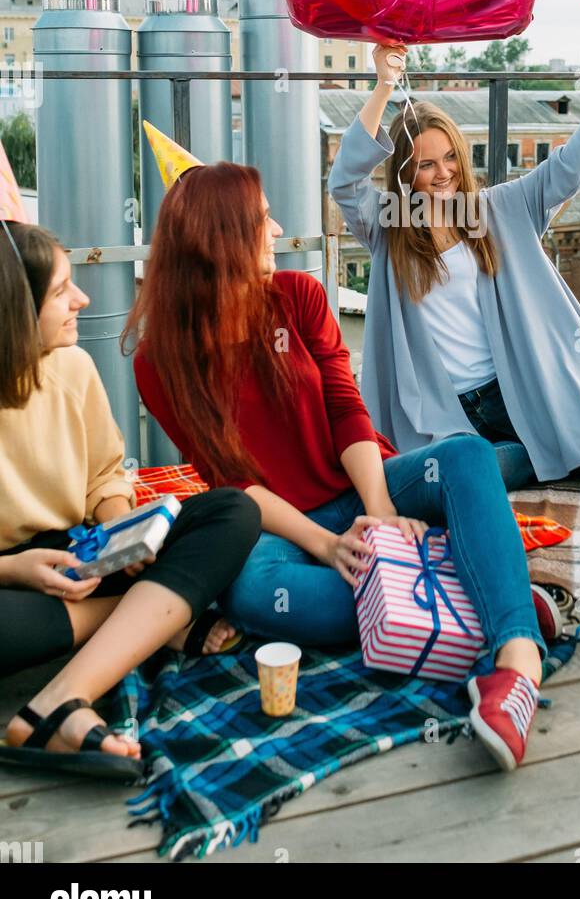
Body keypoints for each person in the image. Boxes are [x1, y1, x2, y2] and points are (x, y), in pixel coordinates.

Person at [127, 159, 549, 772]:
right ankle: (481, 596)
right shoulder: (158, 362)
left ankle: (515, 663)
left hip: (363, 484)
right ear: (221, 241)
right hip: (280, 532)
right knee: (251, 596)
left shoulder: (299, 297)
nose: (276, 231)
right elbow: (233, 485)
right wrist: (328, 545)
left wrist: (379, 515)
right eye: (261, 219)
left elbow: (346, 407)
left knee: (466, 456)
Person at [326, 38, 580, 494]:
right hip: (447, 413)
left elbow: (573, 162)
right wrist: (384, 85)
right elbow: (344, 179)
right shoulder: (387, 226)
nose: (443, 173)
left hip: (520, 389)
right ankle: (537, 455)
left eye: (449, 159)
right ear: (405, 173)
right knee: (475, 470)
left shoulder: (502, 208)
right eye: (425, 165)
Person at [0, 220, 262, 780]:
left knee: (232, 511)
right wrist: (16, 570)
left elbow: (104, 476)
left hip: (84, 556)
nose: (83, 299)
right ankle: (157, 618)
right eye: (61, 292)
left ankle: (63, 697)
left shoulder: (73, 367)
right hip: (15, 581)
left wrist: (125, 535)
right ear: (15, 313)